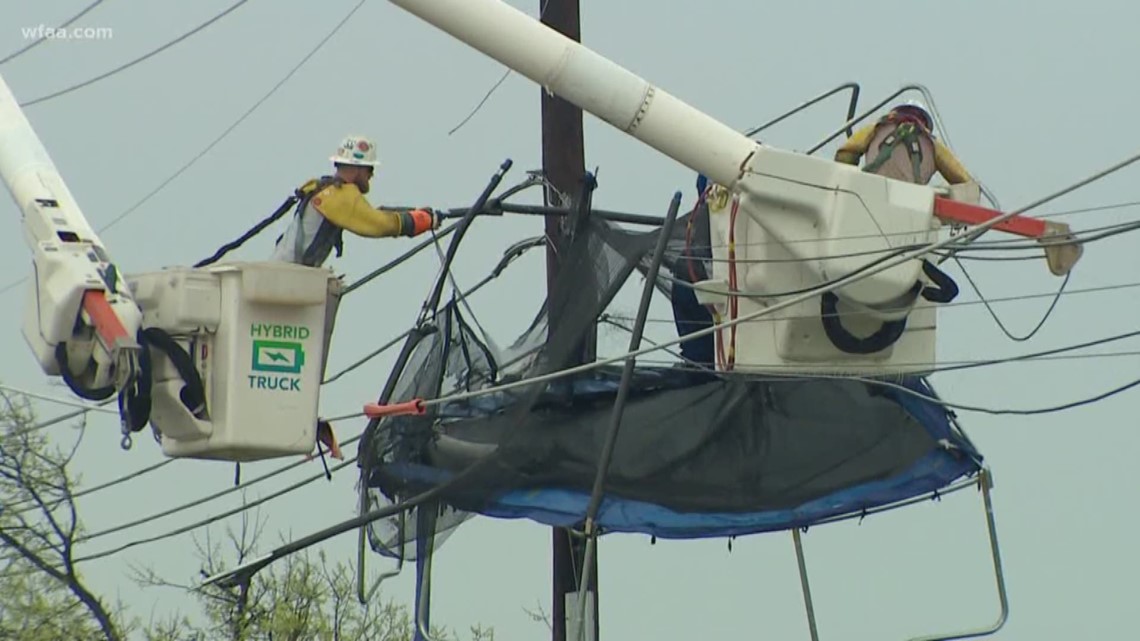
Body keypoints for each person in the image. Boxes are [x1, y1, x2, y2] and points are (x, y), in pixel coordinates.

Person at [271, 134, 441, 267]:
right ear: (358, 168)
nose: (371, 175)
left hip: (286, 275)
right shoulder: (339, 196)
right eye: (370, 169)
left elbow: (372, 213)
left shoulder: (330, 192)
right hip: (287, 278)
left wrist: (414, 213)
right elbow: (378, 224)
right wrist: (422, 221)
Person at [834, 100, 972, 186]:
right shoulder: (933, 144)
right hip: (910, 203)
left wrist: (847, 180)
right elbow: (964, 180)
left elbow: (845, 154)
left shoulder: (877, 127)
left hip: (870, 191)